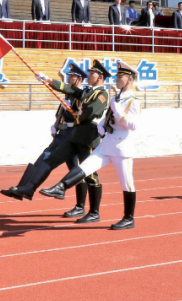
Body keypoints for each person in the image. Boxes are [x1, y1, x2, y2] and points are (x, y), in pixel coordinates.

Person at [2, 62, 109, 224]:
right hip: (75, 135)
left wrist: (77, 115)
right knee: (50, 159)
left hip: (88, 137)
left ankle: (94, 212)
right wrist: (49, 80)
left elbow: (93, 111)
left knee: (89, 175)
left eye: (92, 73)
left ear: (100, 77)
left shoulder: (102, 94)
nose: (89, 75)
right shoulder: (87, 91)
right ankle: (30, 187)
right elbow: (70, 89)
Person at [40, 62, 142, 230]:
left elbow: (133, 125)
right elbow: (108, 117)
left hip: (121, 148)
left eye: (120, 77)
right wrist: (101, 126)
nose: (117, 79)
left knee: (127, 183)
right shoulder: (116, 97)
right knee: (85, 167)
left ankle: (128, 218)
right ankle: (60, 187)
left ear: (130, 79)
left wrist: (117, 112)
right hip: (107, 143)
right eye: (117, 76)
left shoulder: (133, 101)